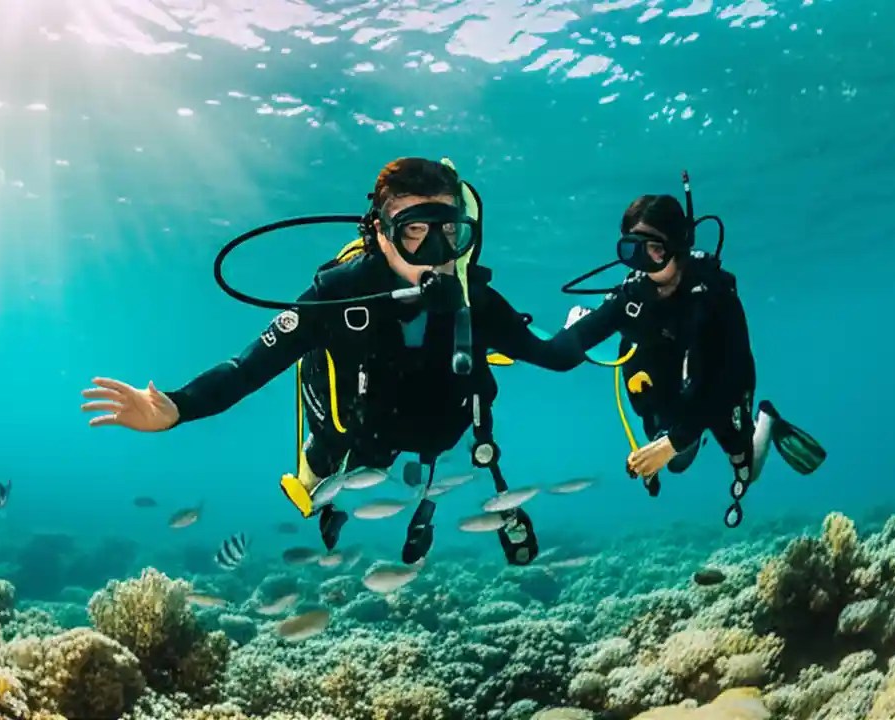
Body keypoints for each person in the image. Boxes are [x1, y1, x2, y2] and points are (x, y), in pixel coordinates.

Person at [80, 157, 587, 565]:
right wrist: (176, 407)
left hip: (440, 438)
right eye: (415, 231)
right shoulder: (336, 296)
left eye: (448, 232)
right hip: (352, 446)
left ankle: (423, 507)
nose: (434, 250)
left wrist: (618, 309)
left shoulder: (473, 300)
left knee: (435, 473)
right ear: (381, 232)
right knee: (330, 483)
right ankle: (333, 502)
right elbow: (247, 367)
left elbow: (557, 356)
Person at [555, 184, 826, 527]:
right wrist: (522, 335)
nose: (644, 266)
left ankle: (766, 421)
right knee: (677, 462)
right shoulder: (631, 297)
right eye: (631, 251)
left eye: (655, 250)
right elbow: (557, 353)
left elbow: (732, 377)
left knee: (746, 468)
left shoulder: (714, 297)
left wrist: (675, 440)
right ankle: (686, 437)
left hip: (718, 386)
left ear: (679, 247)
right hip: (672, 388)